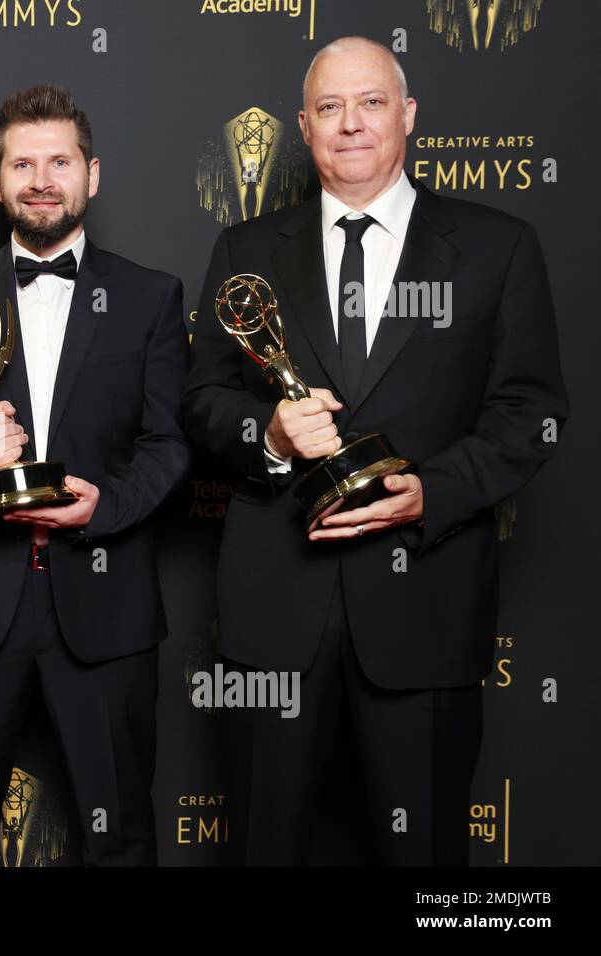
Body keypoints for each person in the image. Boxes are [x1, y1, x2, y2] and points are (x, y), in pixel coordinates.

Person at [181, 36, 569, 865]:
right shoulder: (245, 252)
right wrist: (271, 436)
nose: (349, 124)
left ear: (409, 117)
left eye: (370, 103)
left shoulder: (497, 247)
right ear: (303, 126)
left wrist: (433, 490)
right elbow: (200, 404)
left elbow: (529, 411)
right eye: (328, 108)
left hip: (425, 607)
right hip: (273, 621)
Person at [0, 84, 191, 865]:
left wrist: (106, 507)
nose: (40, 179)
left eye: (58, 161)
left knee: (122, 835)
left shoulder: (152, 297)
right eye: (21, 164)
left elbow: (171, 443)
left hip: (105, 603)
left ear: (91, 175)